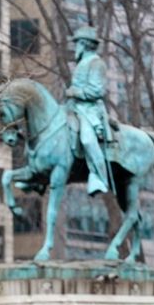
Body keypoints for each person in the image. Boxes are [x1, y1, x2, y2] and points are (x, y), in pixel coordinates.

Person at [66, 26, 112, 196]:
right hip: (74, 107)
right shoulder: (81, 63)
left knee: (87, 140)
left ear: (84, 44)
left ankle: (99, 178)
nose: (75, 47)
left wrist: (75, 92)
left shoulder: (96, 63)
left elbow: (97, 91)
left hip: (89, 110)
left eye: (77, 43)